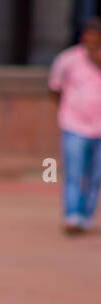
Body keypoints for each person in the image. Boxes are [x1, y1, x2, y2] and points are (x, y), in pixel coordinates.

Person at [48, 17, 101, 235]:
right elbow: (55, 87)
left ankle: (86, 215)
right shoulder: (68, 59)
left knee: (96, 175)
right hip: (74, 124)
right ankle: (72, 215)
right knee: (74, 172)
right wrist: (67, 110)